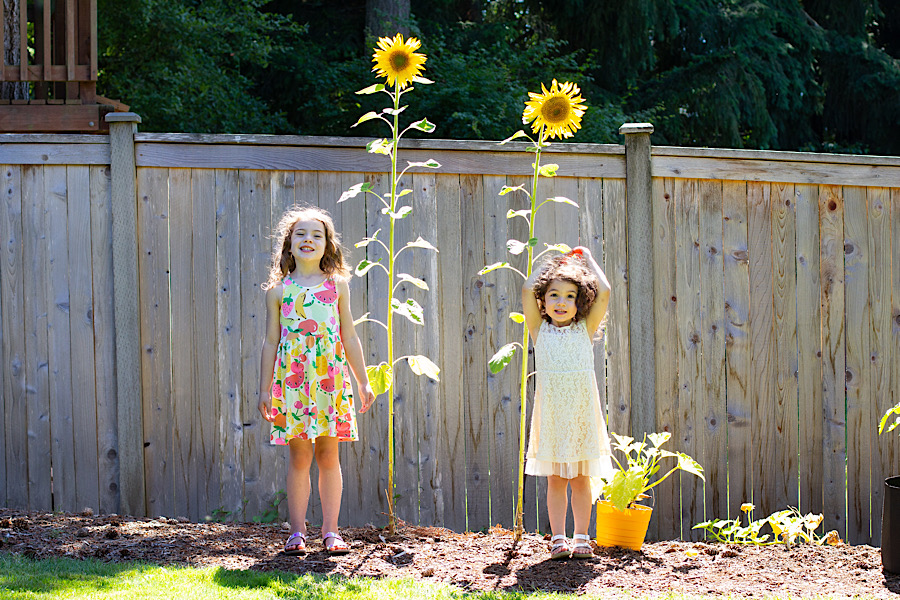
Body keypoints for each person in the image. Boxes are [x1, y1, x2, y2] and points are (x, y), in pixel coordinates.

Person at [258, 205, 376, 556]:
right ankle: (296, 532)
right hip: (293, 386)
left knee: (328, 456)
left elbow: (350, 336)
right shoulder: (279, 292)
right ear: (288, 245)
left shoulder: (337, 286)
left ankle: (331, 530)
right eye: (300, 234)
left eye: (317, 235)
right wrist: (264, 389)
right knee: (299, 458)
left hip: (330, 382)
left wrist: (363, 381)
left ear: (328, 246)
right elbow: (269, 342)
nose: (308, 240)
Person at [521, 246, 614, 560]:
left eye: (570, 296)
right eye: (554, 295)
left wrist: (585, 259)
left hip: (581, 415)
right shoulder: (540, 331)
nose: (561, 302)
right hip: (551, 416)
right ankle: (558, 539)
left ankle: (582, 538)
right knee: (557, 479)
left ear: (581, 302)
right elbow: (525, 288)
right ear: (543, 302)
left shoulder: (584, 331)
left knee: (581, 479)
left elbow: (605, 291)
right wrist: (550, 261)